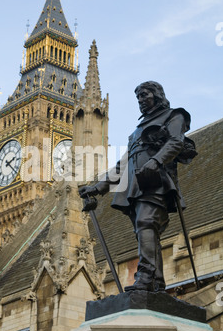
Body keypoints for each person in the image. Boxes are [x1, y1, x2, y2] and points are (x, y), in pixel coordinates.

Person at [79, 81, 197, 292]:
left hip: (157, 182)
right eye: (139, 97)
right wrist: (98, 187)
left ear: (158, 95)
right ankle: (157, 283)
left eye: (145, 95)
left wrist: (156, 161)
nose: (141, 100)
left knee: (146, 222)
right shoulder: (136, 132)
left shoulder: (174, 116)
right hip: (136, 187)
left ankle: (144, 277)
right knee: (146, 229)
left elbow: (176, 142)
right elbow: (123, 165)